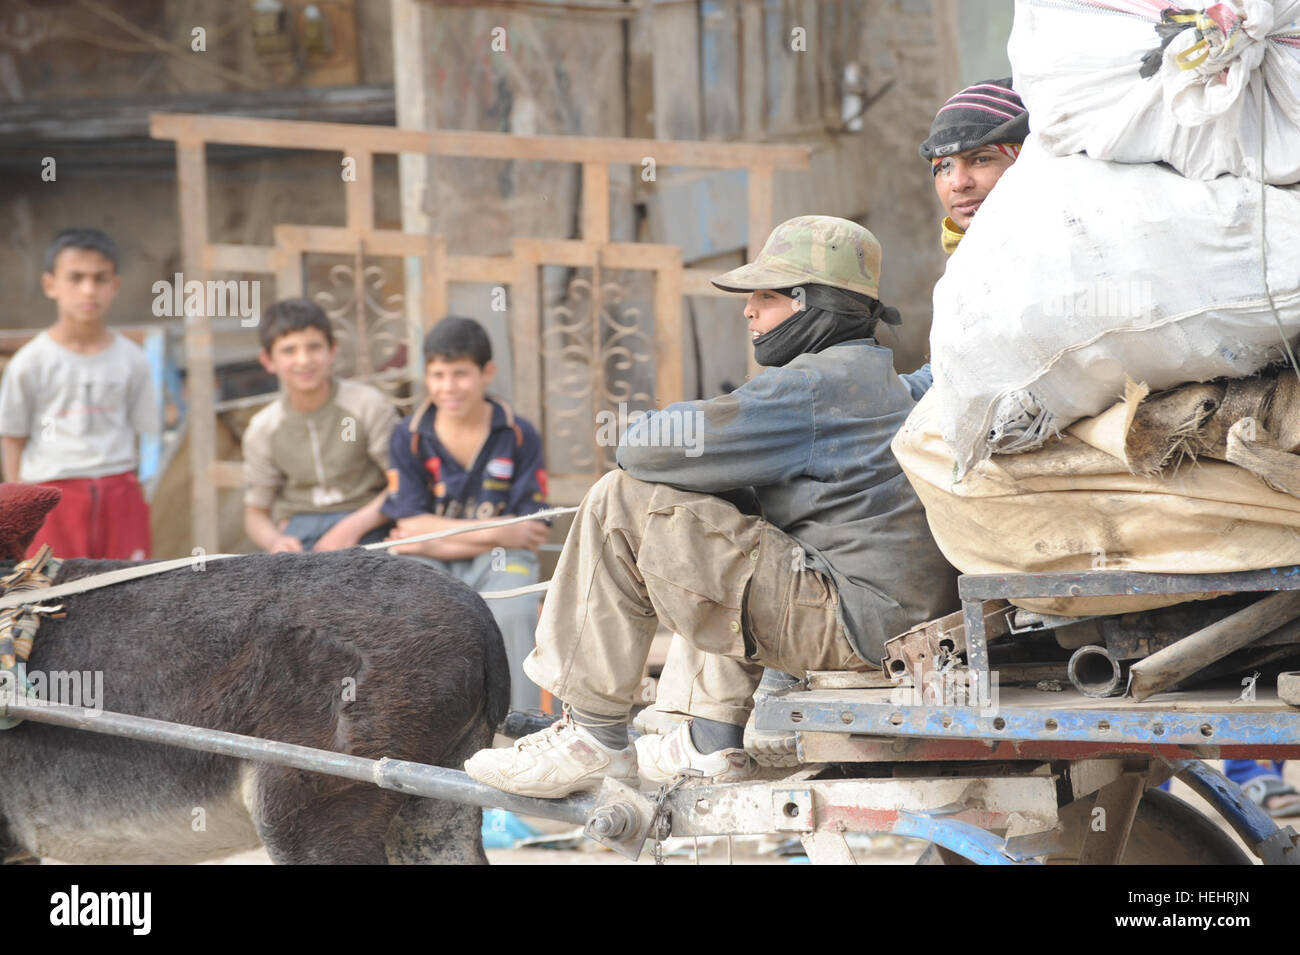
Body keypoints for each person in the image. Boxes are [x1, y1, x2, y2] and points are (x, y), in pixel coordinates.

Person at [465, 216, 959, 797]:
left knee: (619, 499)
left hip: (855, 626)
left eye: (767, 298)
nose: (750, 312)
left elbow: (641, 448)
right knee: (724, 507)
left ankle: (592, 737)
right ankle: (708, 739)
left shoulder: (812, 386)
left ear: (813, 306)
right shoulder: (877, 379)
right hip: (894, 621)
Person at [382, 316, 550, 713]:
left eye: (460, 374)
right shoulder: (409, 435)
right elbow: (408, 526)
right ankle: (425, 724)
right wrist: (496, 531)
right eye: (438, 374)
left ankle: (523, 729)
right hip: (428, 560)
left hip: (498, 561)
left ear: (486, 372)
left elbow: (528, 530)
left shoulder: (518, 433)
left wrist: (432, 536)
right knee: (409, 611)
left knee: (514, 610)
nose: (448, 386)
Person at [0, 228, 160, 560]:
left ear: (115, 285)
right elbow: (12, 437)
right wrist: (21, 511)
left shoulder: (132, 358)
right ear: (50, 285)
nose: (89, 289)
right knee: (51, 598)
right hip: (52, 499)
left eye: (100, 278)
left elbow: (144, 432)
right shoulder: (31, 362)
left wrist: (135, 491)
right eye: (76, 277)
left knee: (129, 596)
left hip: (120, 494)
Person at [242, 298, 397, 553]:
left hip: (370, 522)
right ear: (268, 360)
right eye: (289, 351)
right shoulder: (263, 428)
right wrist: (275, 542)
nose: (303, 360)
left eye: (314, 347)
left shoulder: (367, 405)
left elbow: (400, 484)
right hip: (300, 532)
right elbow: (255, 513)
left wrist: (350, 528)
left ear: (332, 350)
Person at [920, 76, 1029, 254]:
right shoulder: (961, 273)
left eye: (981, 160)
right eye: (944, 167)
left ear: (1027, 159)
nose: (959, 183)